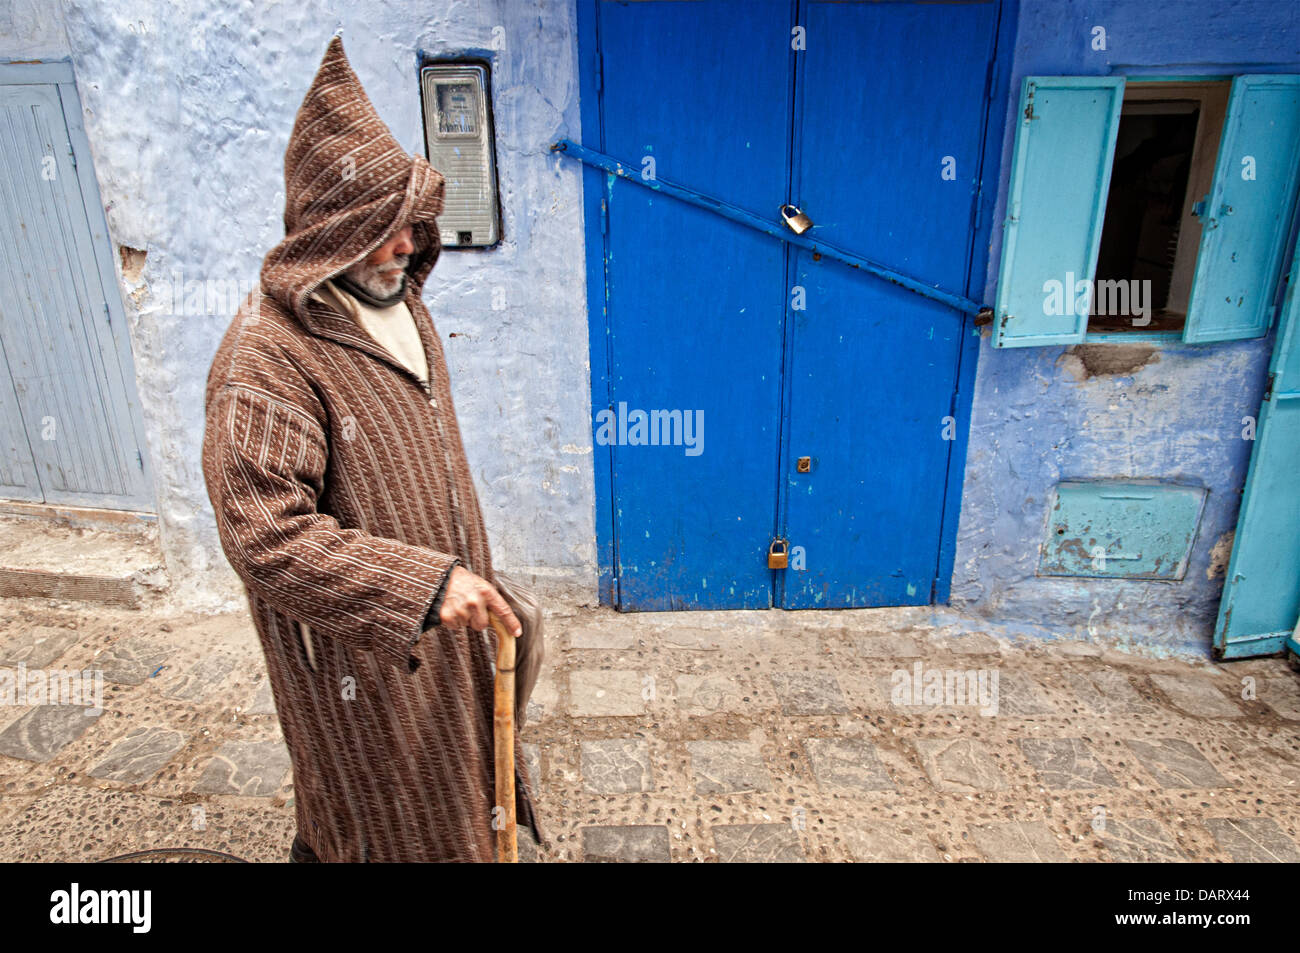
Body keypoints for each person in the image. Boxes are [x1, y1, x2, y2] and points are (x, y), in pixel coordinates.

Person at [202, 35, 543, 862]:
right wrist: (421, 586)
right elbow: (265, 537)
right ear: (326, 234)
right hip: (363, 659)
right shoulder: (264, 357)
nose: (402, 247)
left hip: (449, 622)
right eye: (378, 231)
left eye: (408, 226)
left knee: (467, 793)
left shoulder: (405, 307)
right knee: (377, 820)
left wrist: (459, 580)